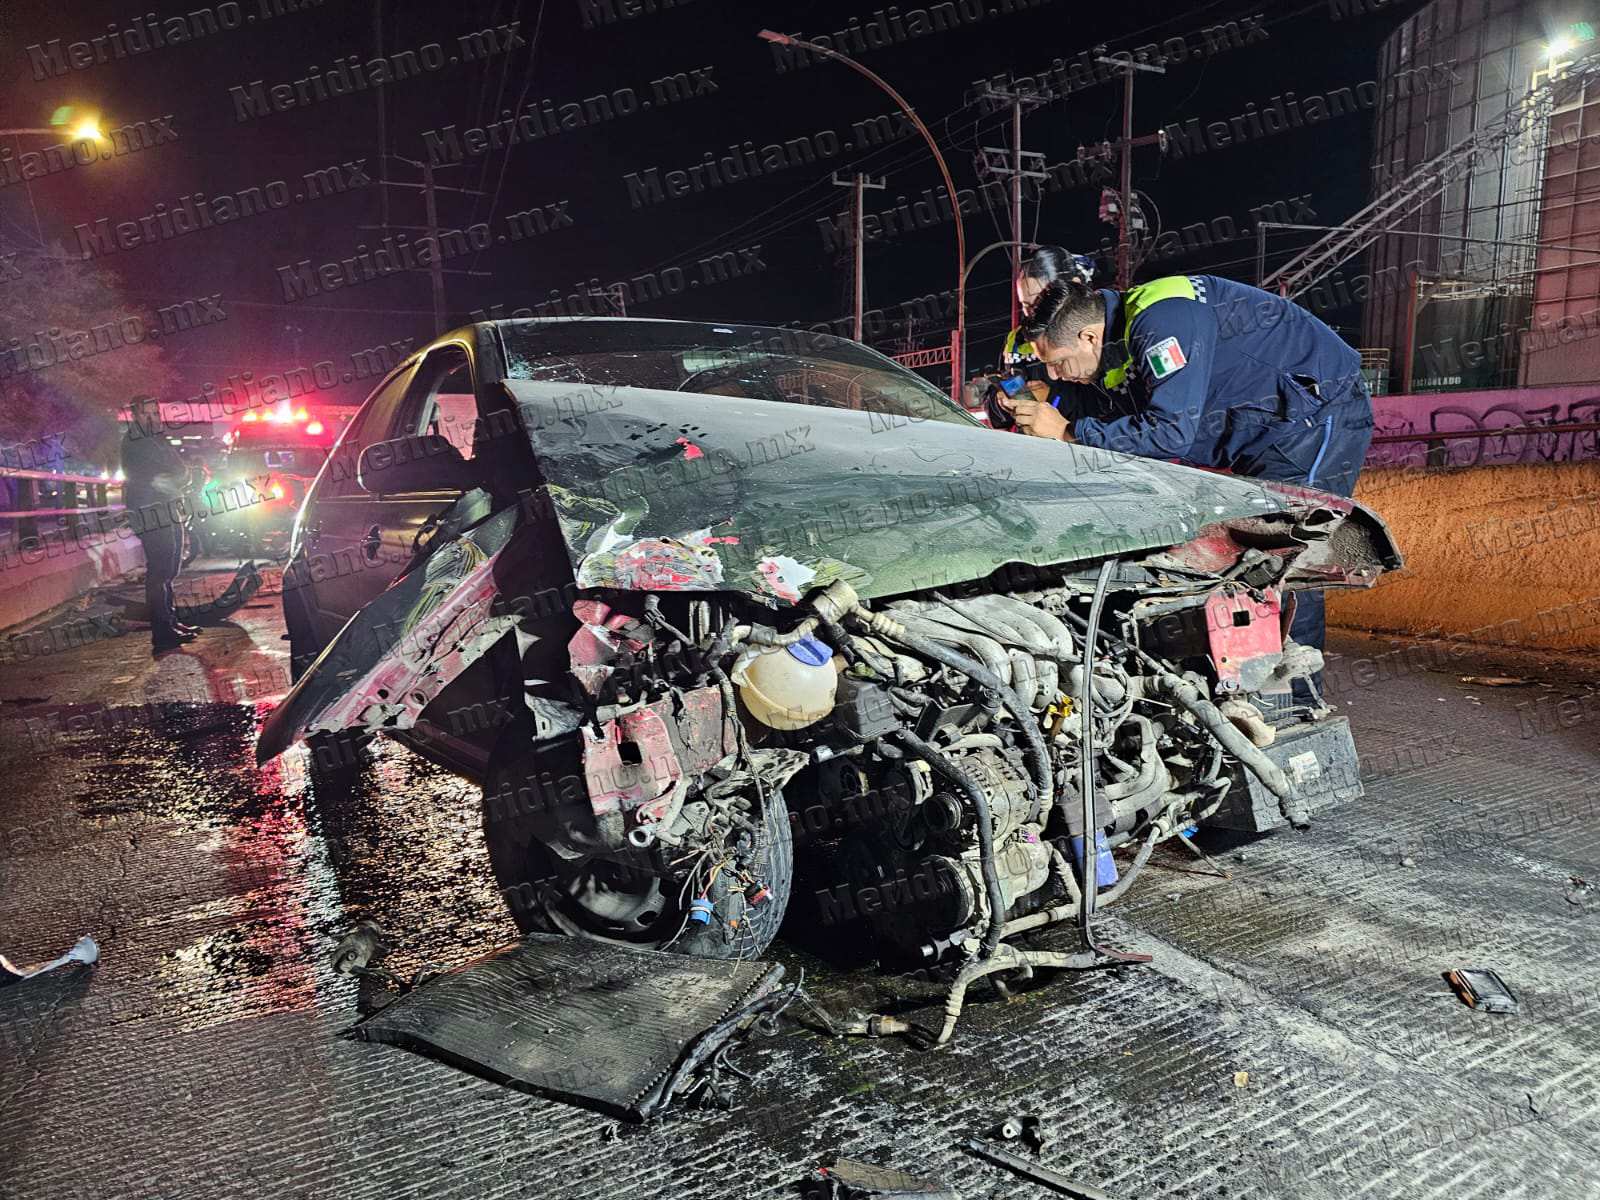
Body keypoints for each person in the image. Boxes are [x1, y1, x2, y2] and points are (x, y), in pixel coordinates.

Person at [1001, 273, 1375, 703]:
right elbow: (1115, 411)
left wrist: (1067, 433)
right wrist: (1052, 399)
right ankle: (1246, 693)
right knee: (1246, 563)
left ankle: (1296, 706)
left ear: (1088, 336)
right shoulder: (1111, 342)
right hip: (1260, 435)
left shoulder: (1164, 320)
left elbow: (1170, 432)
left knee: (1286, 563)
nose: (1055, 372)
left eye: (1058, 363)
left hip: (1318, 416)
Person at [984, 247, 1133, 431]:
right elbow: (995, 409)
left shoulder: (1105, 335)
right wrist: (1002, 404)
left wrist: (1051, 398)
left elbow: (1113, 414)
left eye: (1042, 302)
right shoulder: (1016, 342)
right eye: (1026, 306)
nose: (1034, 315)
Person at [121, 396, 200, 653]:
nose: (153, 417)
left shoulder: (157, 438)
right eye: (147, 413)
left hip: (168, 509)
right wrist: (179, 476)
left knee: (171, 567)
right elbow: (164, 473)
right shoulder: (136, 442)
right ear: (135, 414)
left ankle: (171, 622)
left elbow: (179, 469)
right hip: (150, 512)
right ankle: (163, 631)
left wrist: (181, 476)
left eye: (155, 412)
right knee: (160, 571)